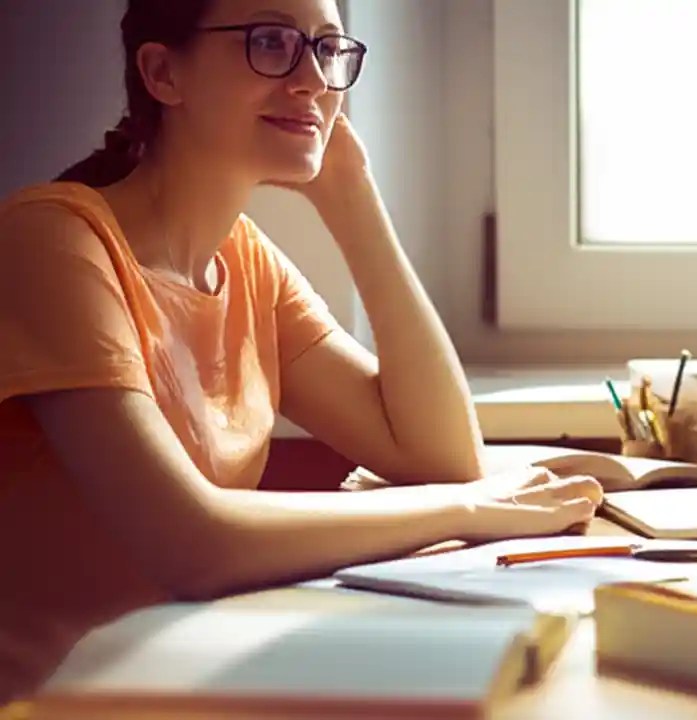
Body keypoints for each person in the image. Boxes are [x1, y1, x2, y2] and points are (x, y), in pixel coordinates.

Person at [0, 0, 603, 698]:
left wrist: (356, 203)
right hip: (45, 700)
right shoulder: (50, 242)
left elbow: (440, 456)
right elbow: (193, 543)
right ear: (163, 73)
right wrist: (468, 509)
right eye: (271, 42)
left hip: (178, 680)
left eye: (327, 48)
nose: (313, 78)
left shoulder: (246, 262)